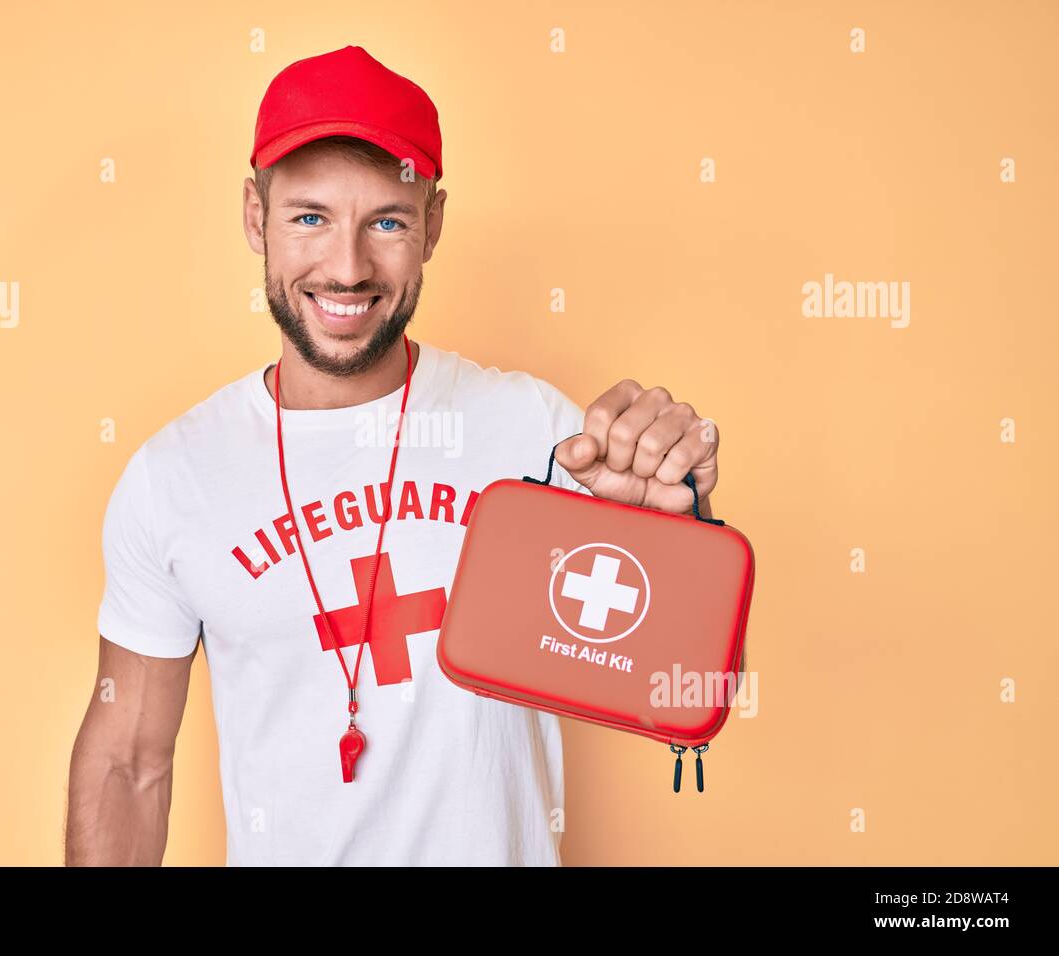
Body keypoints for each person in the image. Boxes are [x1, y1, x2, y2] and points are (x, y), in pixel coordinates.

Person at [66, 45, 720, 866]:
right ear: (252, 217)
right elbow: (129, 764)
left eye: (387, 221)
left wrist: (668, 533)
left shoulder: (538, 432)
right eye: (309, 217)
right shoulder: (173, 477)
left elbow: (674, 683)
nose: (346, 268)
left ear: (433, 225)